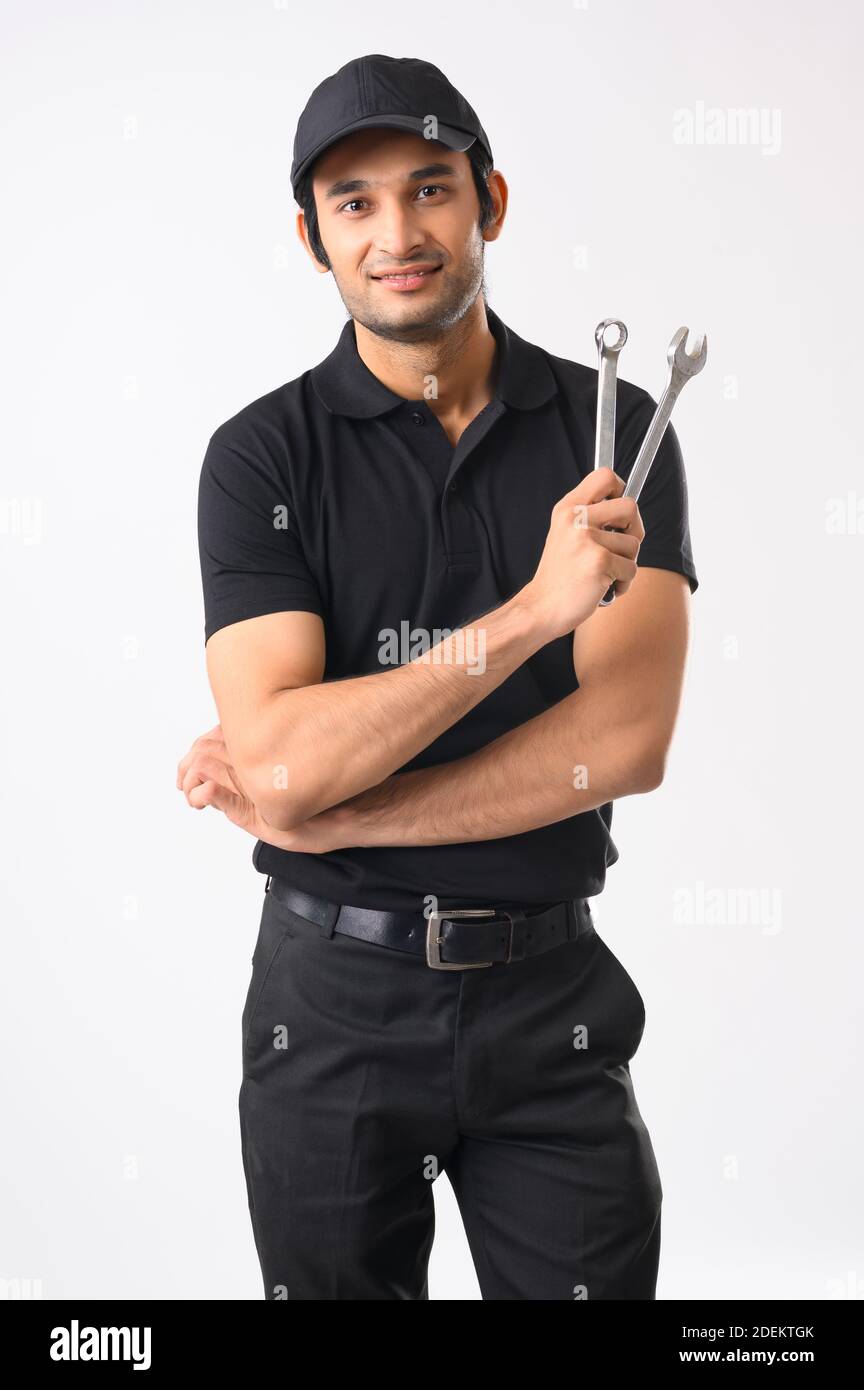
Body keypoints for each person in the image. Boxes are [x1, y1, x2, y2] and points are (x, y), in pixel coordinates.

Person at [177, 53, 699, 1300]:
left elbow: (622, 739)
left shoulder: (617, 439)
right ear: (313, 238)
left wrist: (331, 806)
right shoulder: (259, 458)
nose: (398, 233)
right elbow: (287, 758)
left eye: (430, 189)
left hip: (551, 1001)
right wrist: (533, 613)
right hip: (331, 1009)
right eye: (354, 203)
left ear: (492, 203)